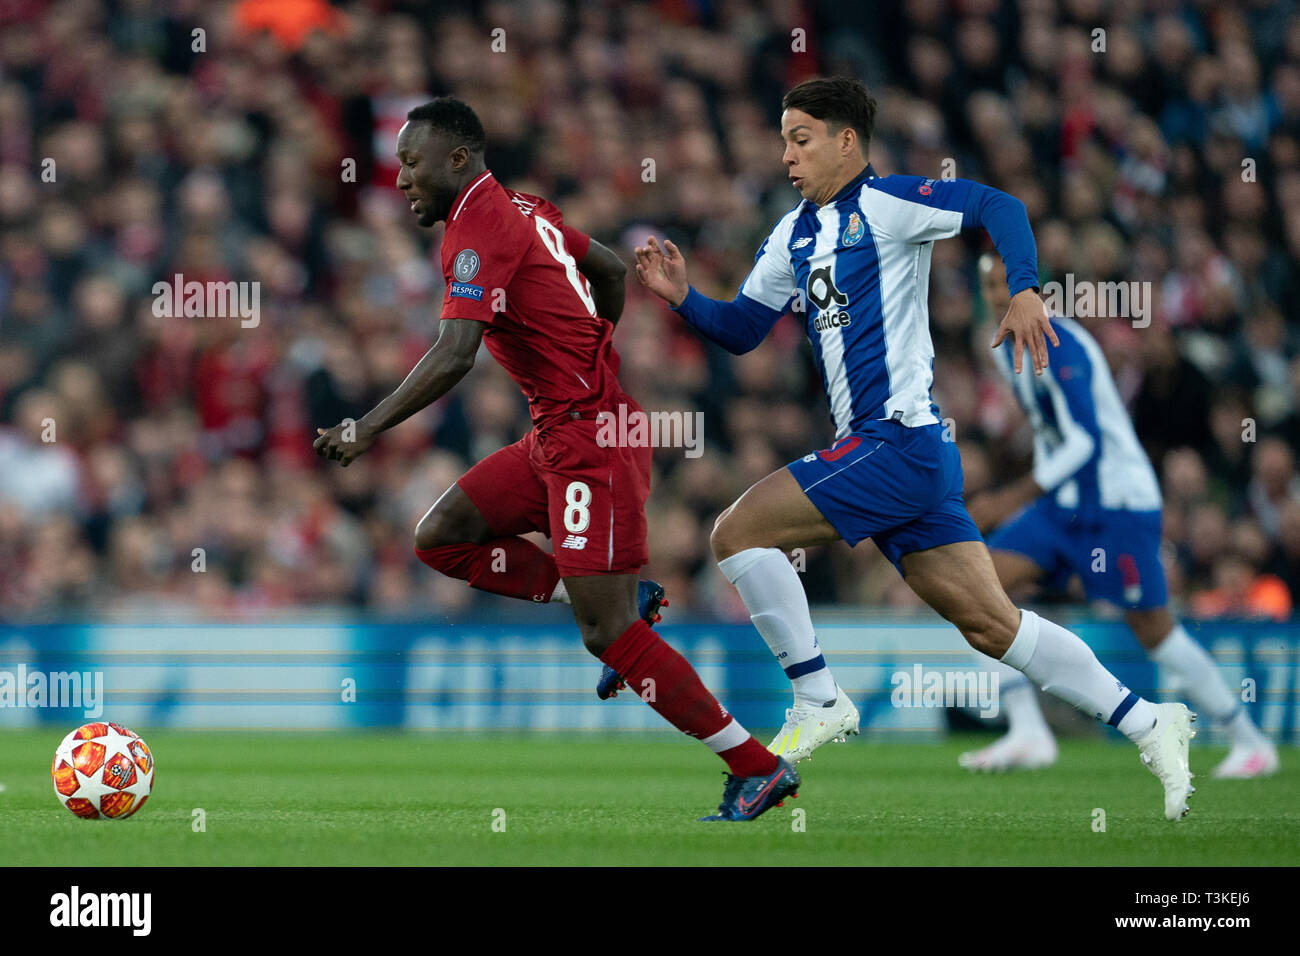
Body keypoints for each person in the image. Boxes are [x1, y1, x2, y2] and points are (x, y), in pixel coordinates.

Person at [628, 76, 1196, 820]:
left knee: (735, 532)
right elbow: (741, 329)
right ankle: (1150, 721)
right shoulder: (793, 234)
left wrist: (1023, 288)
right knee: (996, 626)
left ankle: (818, 697)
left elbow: (1001, 206)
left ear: (846, 142)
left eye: (801, 140)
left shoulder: (891, 204)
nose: (788, 157)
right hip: (906, 460)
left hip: (894, 442)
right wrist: (683, 300)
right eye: (782, 142)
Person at [314, 97, 797, 821]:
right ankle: (612, 597)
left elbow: (455, 354)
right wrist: (587, 345)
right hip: (557, 433)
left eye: (411, 164)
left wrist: (367, 427)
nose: (401, 180)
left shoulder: (480, 227)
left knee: (609, 636)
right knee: (441, 537)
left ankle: (755, 767)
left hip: (591, 441)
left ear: (457, 159)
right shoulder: (525, 208)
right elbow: (605, 268)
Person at [961, 255, 1277, 778]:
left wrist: (1008, 498)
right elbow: (1051, 434)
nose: (998, 297)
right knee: (973, 591)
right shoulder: (1002, 347)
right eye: (988, 286)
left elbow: (1084, 441)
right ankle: (1028, 732)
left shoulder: (1060, 345)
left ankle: (1249, 740)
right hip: (1061, 507)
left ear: (1031, 288)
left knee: (1155, 631)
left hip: (1117, 504)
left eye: (1007, 285)